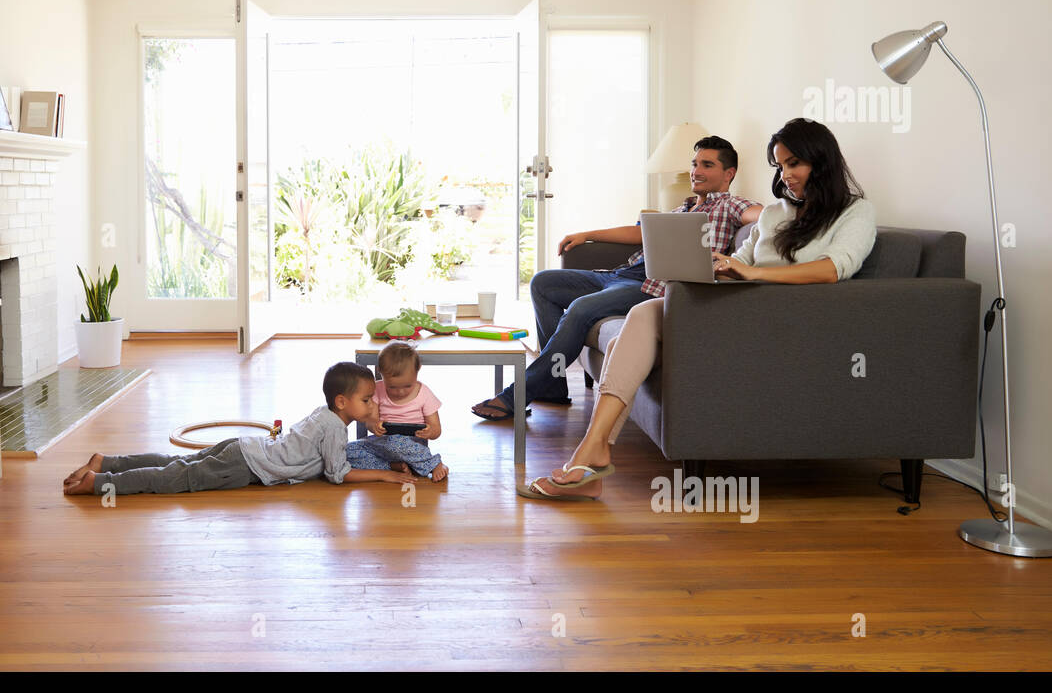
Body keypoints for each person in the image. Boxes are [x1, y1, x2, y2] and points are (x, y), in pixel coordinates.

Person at [521, 118, 877, 501]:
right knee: (643, 314)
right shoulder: (779, 213)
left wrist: (752, 272)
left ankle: (589, 456)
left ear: (820, 161)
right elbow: (740, 257)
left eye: (794, 164)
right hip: (740, 306)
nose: (786, 175)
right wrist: (718, 267)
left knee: (635, 313)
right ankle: (593, 451)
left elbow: (833, 268)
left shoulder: (855, 212)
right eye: (780, 166)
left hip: (785, 320)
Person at [472, 135, 762, 420]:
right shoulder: (684, 207)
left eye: (707, 165)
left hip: (648, 286)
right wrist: (586, 235)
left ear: (729, 173)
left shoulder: (730, 205)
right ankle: (554, 384)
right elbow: (638, 233)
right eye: (694, 163)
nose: (696, 171)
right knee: (543, 283)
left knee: (581, 308)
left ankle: (517, 394)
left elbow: (763, 216)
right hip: (620, 275)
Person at [62, 362, 413, 496]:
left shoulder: (324, 414)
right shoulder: (336, 429)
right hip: (244, 466)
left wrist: (368, 421)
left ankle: (107, 461)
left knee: (177, 462)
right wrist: (382, 477)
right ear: (342, 402)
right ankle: (101, 483)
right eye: (367, 400)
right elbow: (339, 474)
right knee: (174, 479)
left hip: (243, 446)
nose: (372, 405)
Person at [351, 342, 449, 482]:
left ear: (418, 370)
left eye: (407, 386)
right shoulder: (377, 390)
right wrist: (374, 426)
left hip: (413, 445)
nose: (400, 392)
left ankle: (433, 463)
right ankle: (393, 466)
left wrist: (429, 432)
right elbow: (370, 421)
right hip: (382, 442)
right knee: (348, 451)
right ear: (381, 372)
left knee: (395, 442)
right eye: (392, 387)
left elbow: (436, 430)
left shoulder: (424, 393)